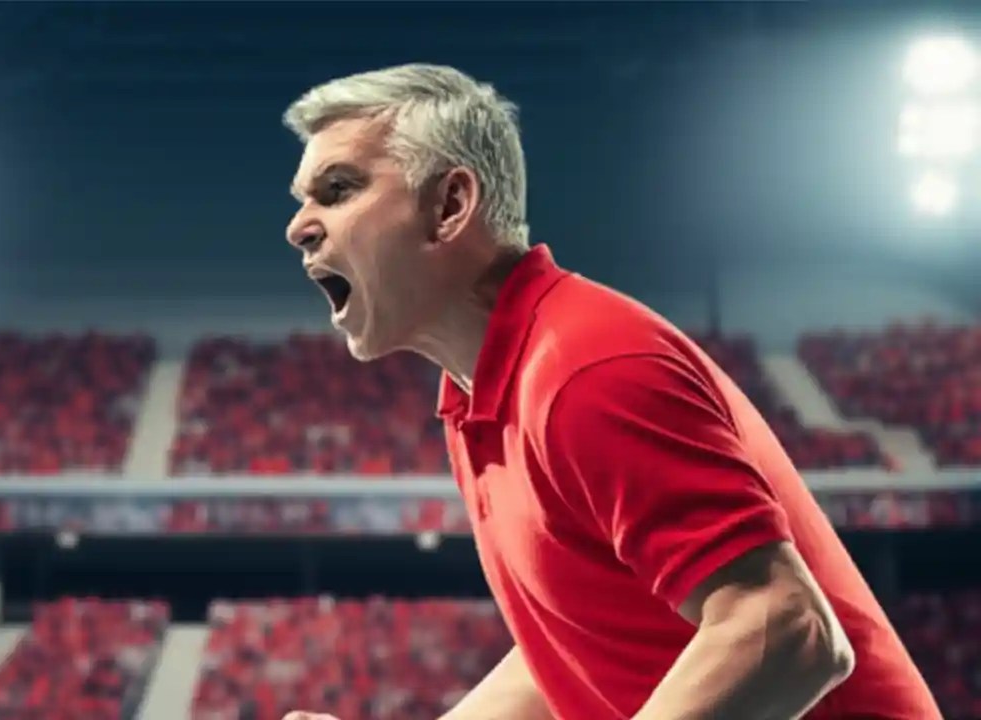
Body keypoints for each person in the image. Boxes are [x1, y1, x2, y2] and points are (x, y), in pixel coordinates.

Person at [279, 64, 941, 720]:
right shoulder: (481, 396)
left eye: (337, 190)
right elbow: (564, 654)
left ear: (449, 207)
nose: (299, 227)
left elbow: (786, 628)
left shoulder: (586, 366)